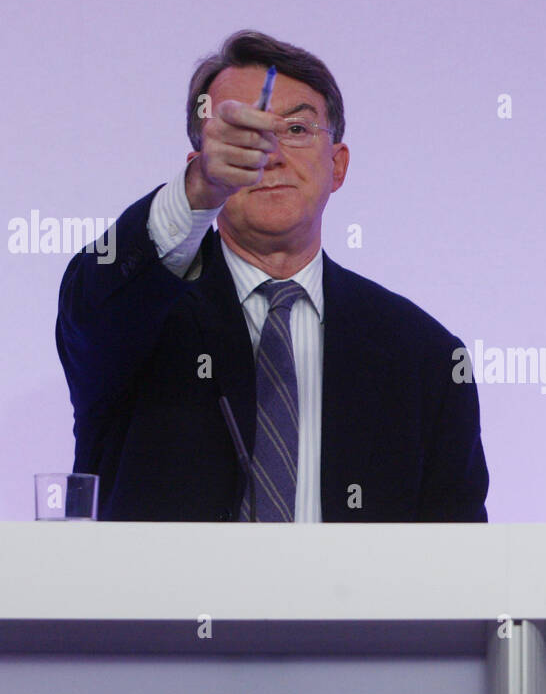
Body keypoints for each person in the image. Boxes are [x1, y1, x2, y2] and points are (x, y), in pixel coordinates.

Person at [57, 30, 488, 522]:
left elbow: (458, 565)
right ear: (200, 166)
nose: (270, 154)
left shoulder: (424, 356)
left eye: (298, 130)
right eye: (241, 135)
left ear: (338, 166)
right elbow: (89, 311)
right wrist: (197, 193)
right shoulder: (136, 323)